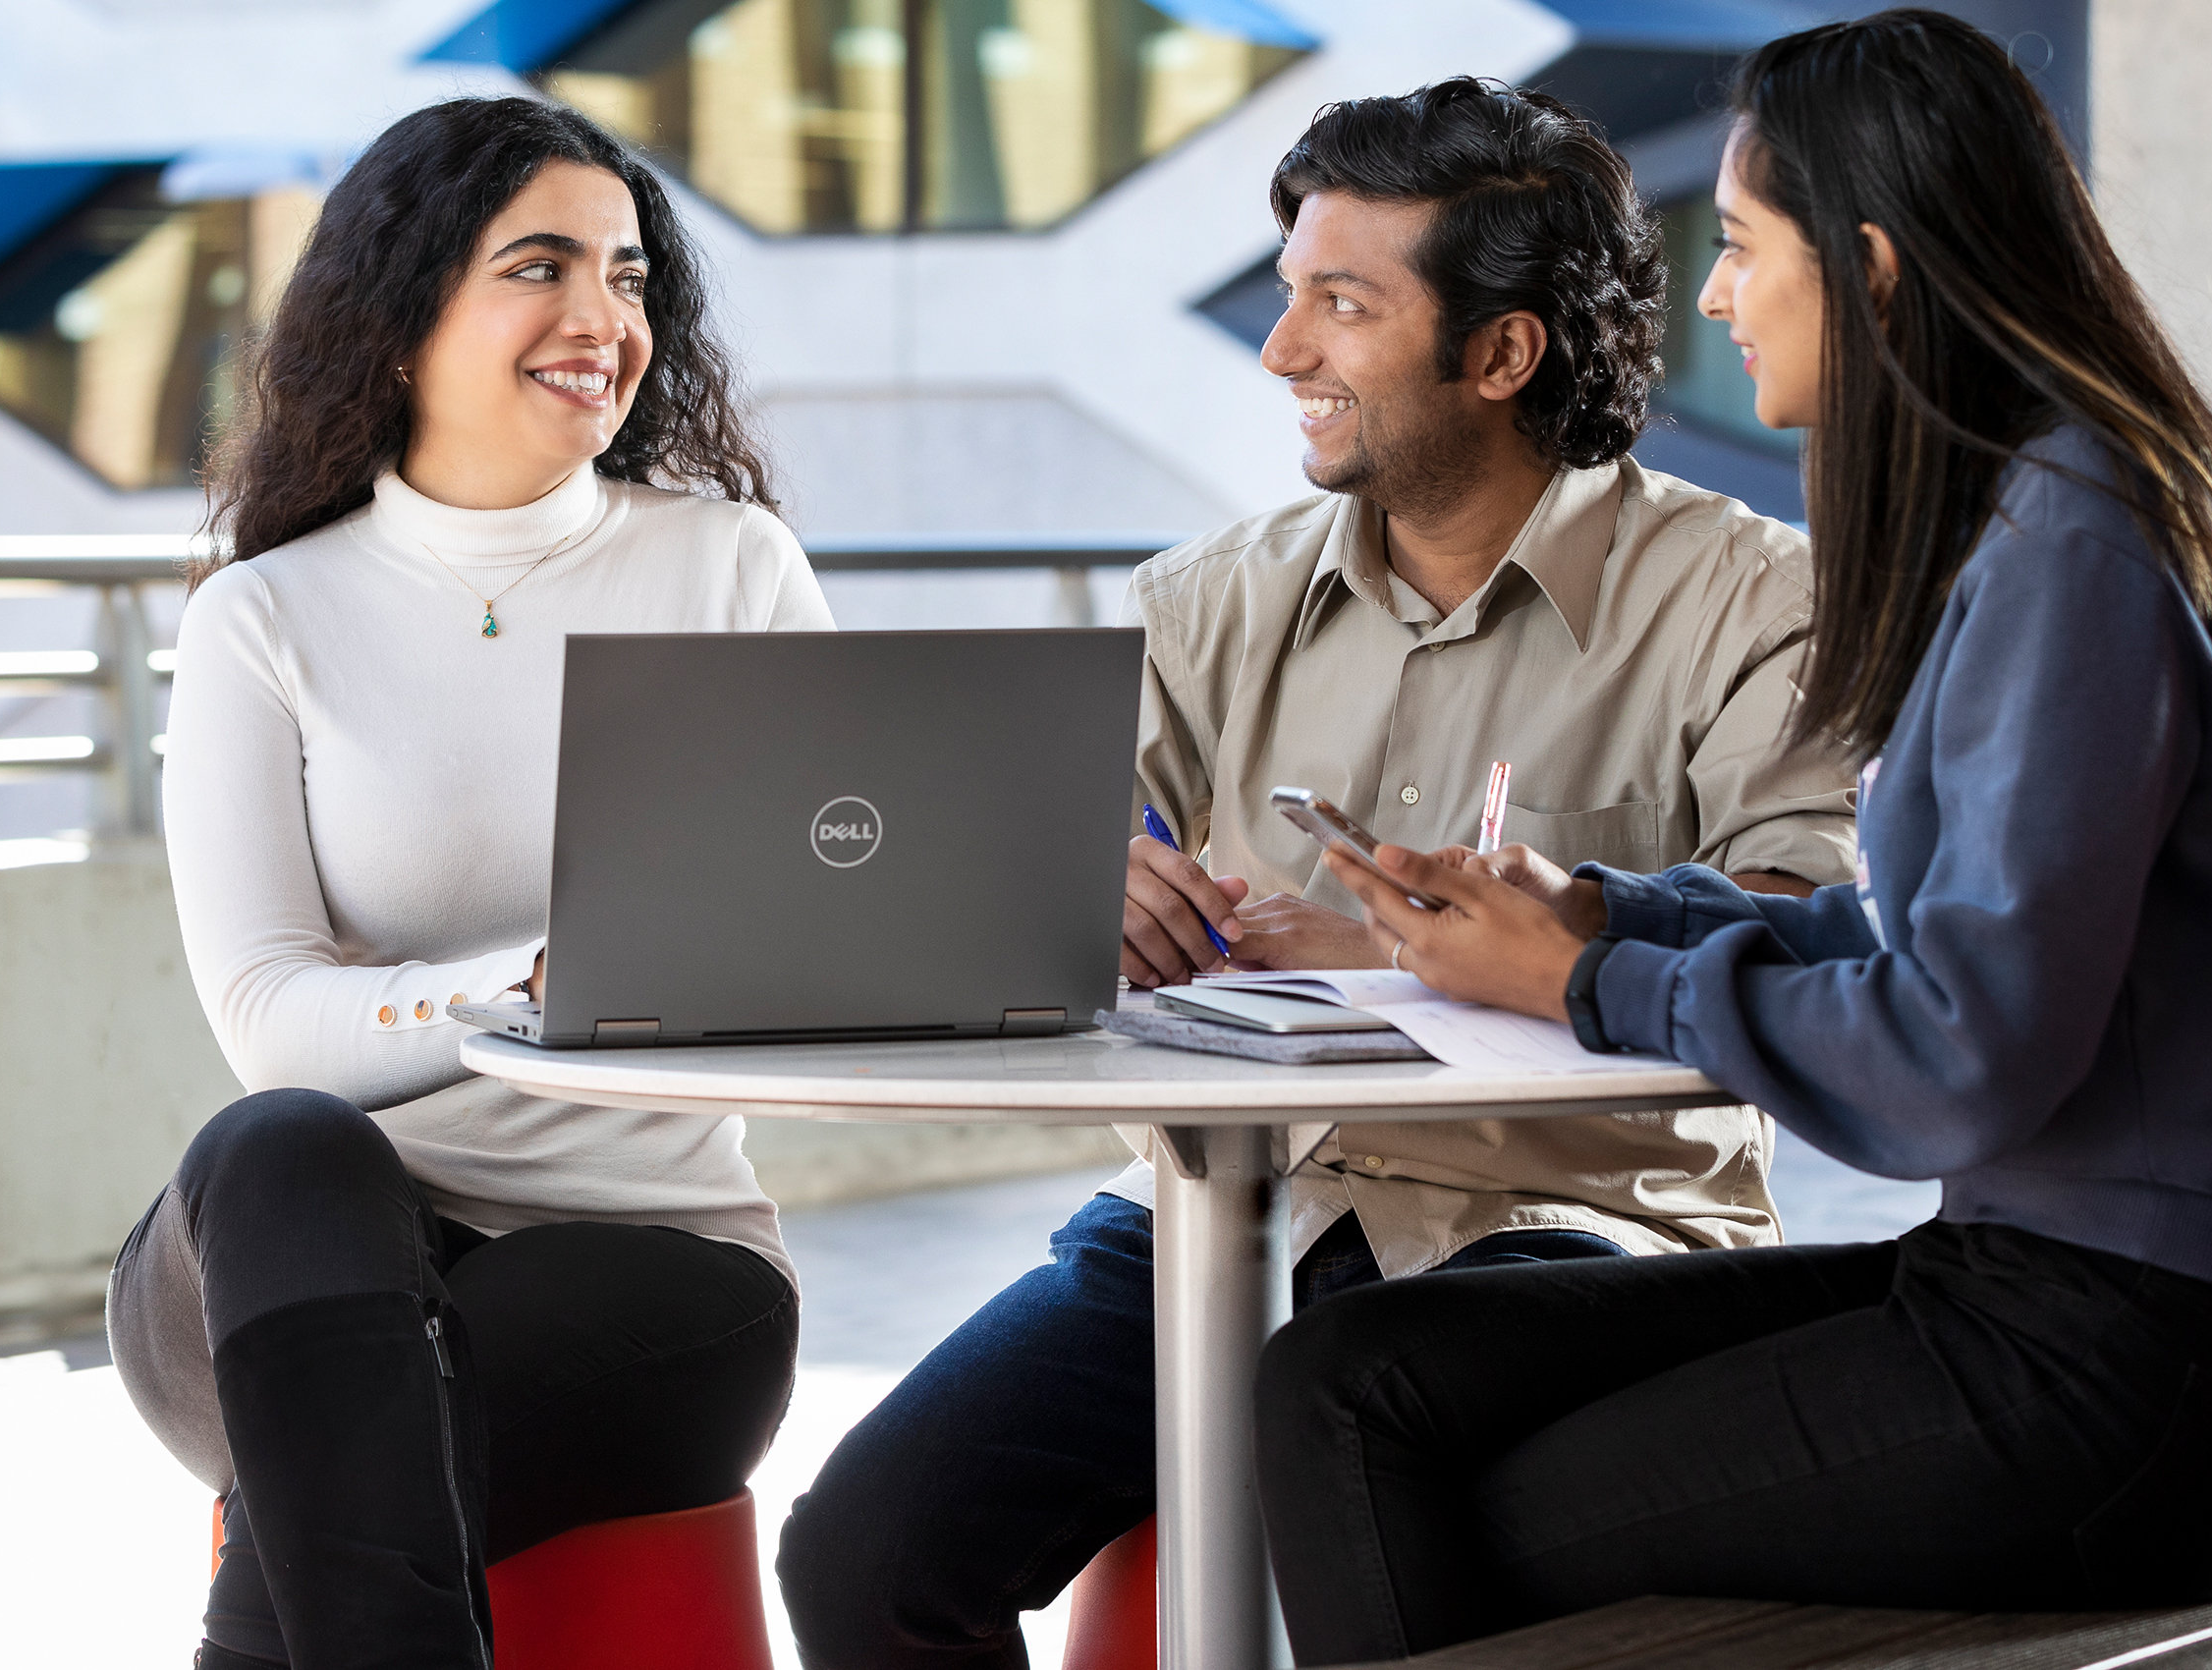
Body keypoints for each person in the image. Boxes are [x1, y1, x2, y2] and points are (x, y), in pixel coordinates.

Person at [1259, 12, 2212, 1662]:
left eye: (1745, 248)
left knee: (1403, 1477)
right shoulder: (2025, 518)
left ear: (1877, 268)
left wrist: (1592, 988)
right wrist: (1607, 917)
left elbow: (1955, 1058)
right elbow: (1935, 947)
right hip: (2020, 1292)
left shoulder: (2076, 545)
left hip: (2134, 1376)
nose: (1711, 294)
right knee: (1353, 1375)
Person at [778, 79, 1859, 1668]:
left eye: (1341, 307)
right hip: (1221, 1215)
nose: (1284, 352)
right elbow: (976, 866)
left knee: (1368, 1512)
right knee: (868, 1553)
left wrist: (1423, 947)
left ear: (1501, 355)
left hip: (1569, 1226)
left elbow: (1807, 947)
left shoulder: (1751, 602)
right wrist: (1073, 885)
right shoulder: (1208, 601)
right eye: (1290, 296)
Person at [106, 98, 831, 1668]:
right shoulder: (264, 617)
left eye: (632, 277)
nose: (603, 317)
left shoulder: (729, 570)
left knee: (359, 1426)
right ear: (402, 314)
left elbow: (825, 921)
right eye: (542, 266)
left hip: (652, 1263)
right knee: (283, 1143)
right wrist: (546, 990)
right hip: (286, 1259)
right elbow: (272, 1024)